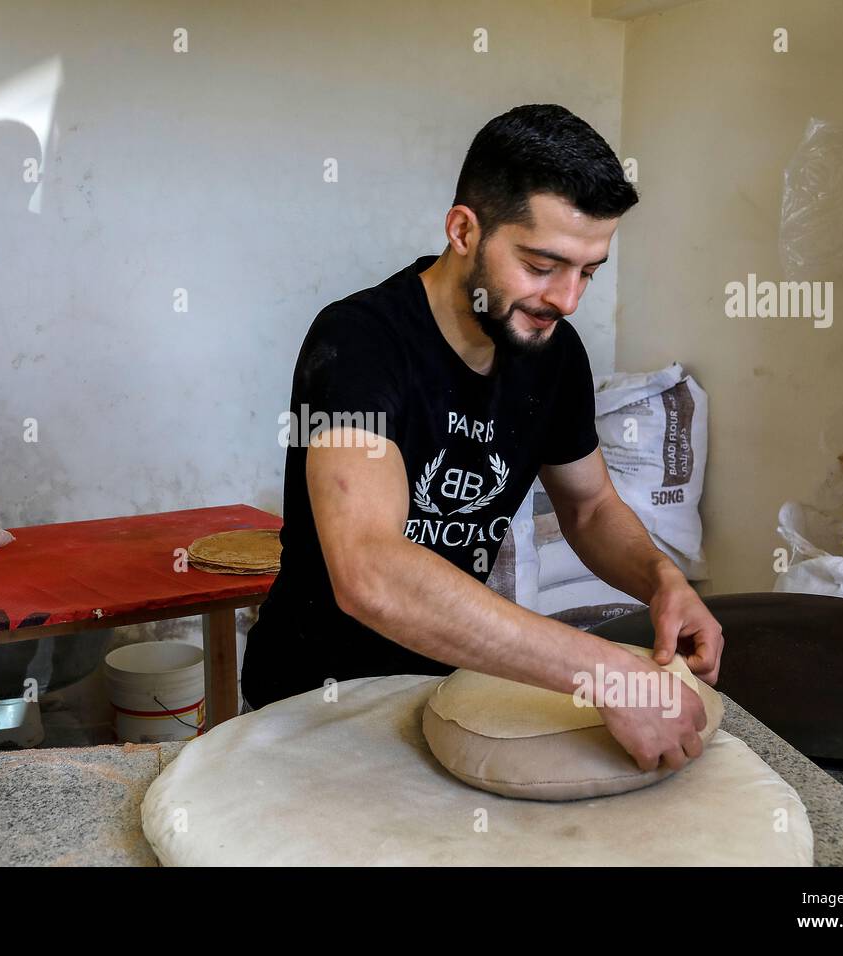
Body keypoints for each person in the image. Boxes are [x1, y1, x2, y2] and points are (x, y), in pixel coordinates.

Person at [241, 104, 723, 772]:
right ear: (465, 229)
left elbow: (589, 508)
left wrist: (663, 580)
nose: (567, 299)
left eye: (588, 271)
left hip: (451, 690)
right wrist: (607, 674)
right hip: (315, 707)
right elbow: (369, 571)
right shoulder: (360, 343)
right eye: (542, 264)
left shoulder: (553, 352)